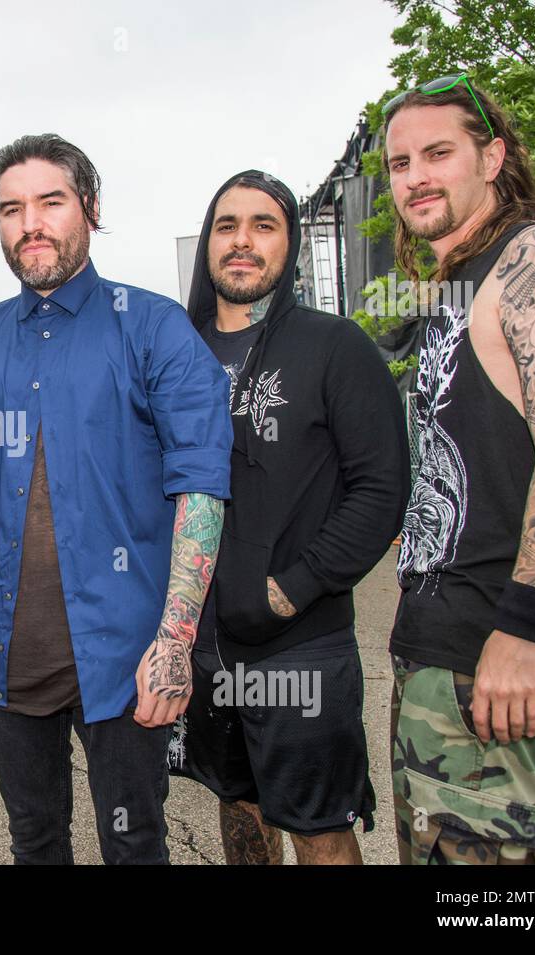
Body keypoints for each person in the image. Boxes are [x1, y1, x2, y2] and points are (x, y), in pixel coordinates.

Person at [0, 133, 231, 864]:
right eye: (11, 208)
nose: (30, 223)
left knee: (135, 841)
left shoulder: (154, 327)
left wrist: (175, 641)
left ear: (89, 208)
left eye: (50, 202)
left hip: (127, 651)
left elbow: (203, 487)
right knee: (34, 839)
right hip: (2, 650)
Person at [384, 75, 535, 864]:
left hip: (493, 653)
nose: (414, 175)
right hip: (439, 656)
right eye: (399, 161)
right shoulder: (456, 283)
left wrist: (524, 628)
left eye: (438, 152)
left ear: (494, 156)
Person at [169, 170, 409, 864]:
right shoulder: (174, 354)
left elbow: (381, 488)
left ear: (290, 244)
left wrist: (291, 587)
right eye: (227, 225)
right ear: (208, 243)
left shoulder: (335, 348)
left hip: (299, 643)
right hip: (202, 642)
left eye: (263, 225)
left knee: (317, 823)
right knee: (235, 800)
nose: (242, 241)